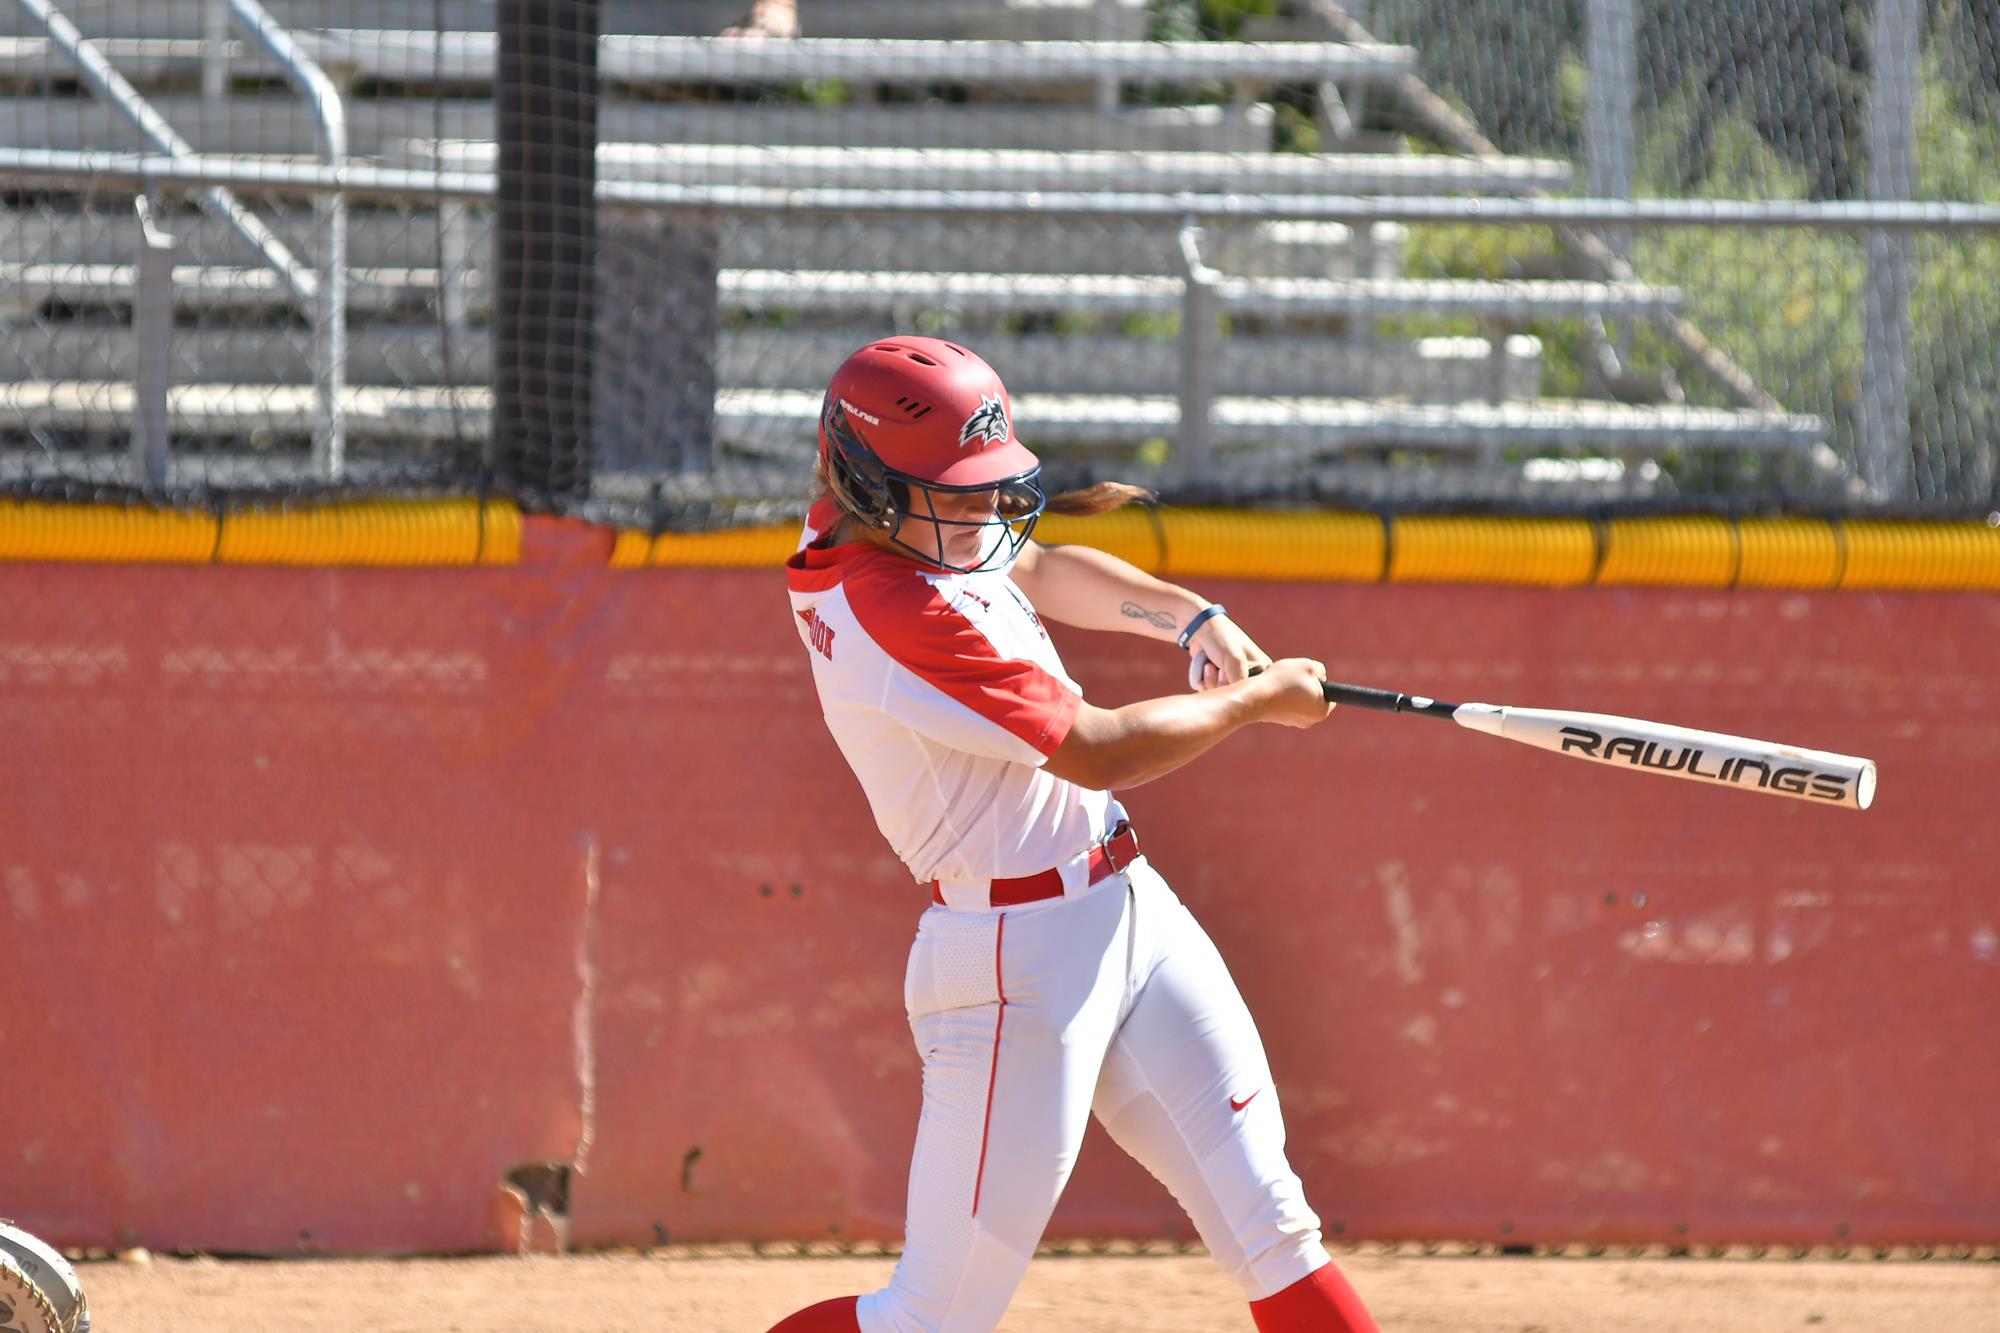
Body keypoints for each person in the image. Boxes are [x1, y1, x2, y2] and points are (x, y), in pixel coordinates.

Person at [771, 337, 1378, 1333]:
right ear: (864, 478)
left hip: (1129, 911)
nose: (975, 513)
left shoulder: (890, 522)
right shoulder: (892, 608)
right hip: (1014, 968)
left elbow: (1040, 566)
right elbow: (1095, 749)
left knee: (1273, 1227)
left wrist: (1191, 618)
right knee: (931, 1317)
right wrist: (1261, 700)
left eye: (978, 487)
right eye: (947, 492)